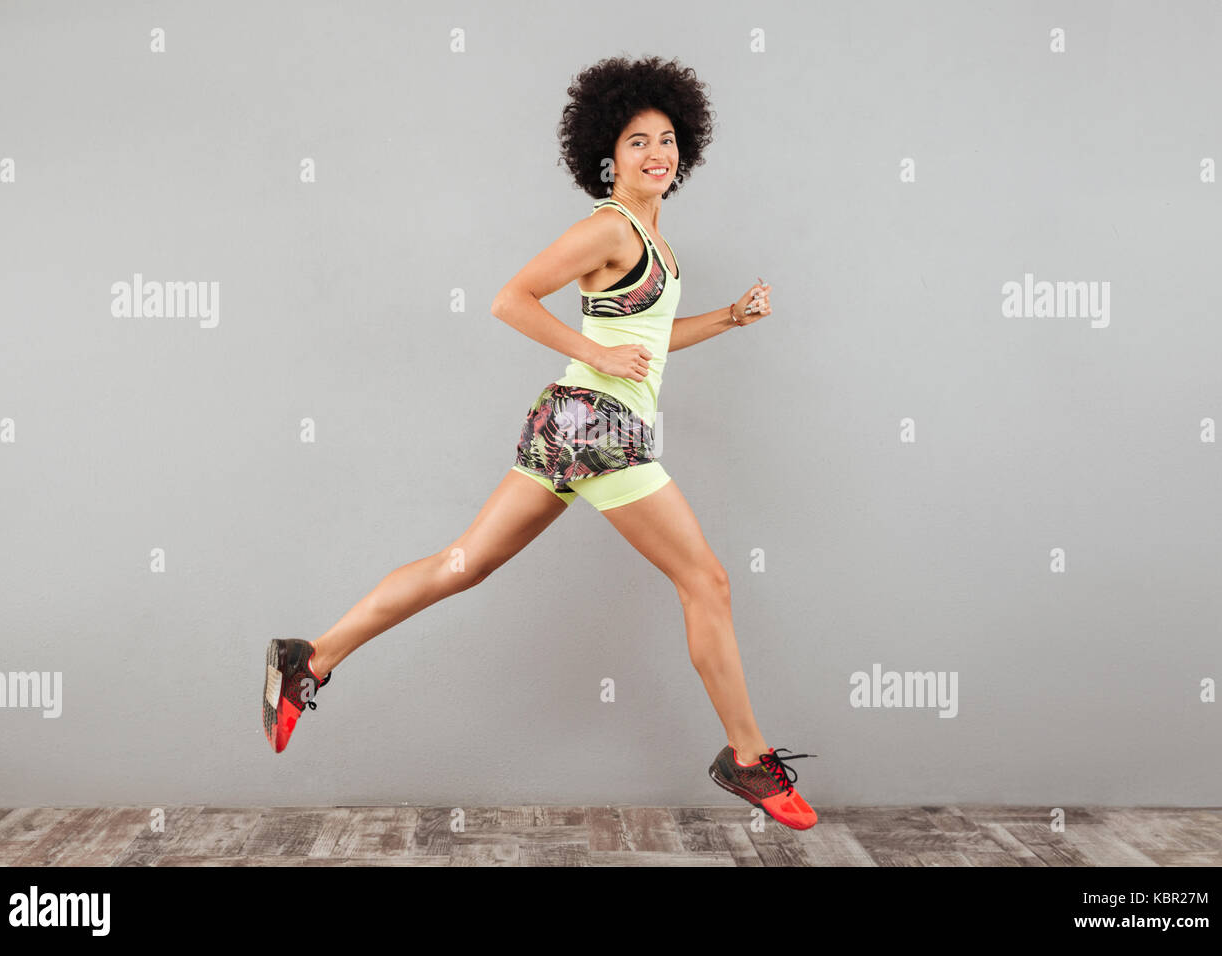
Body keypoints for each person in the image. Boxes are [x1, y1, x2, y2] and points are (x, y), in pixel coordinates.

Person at [261, 55, 818, 830]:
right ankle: (748, 759)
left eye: (666, 140)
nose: (657, 153)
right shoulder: (607, 228)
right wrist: (593, 353)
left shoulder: (652, 237)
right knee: (708, 583)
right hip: (599, 428)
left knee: (464, 564)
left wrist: (727, 318)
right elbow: (509, 300)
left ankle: (309, 657)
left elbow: (646, 341)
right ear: (606, 155)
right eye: (636, 142)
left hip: (572, 425)